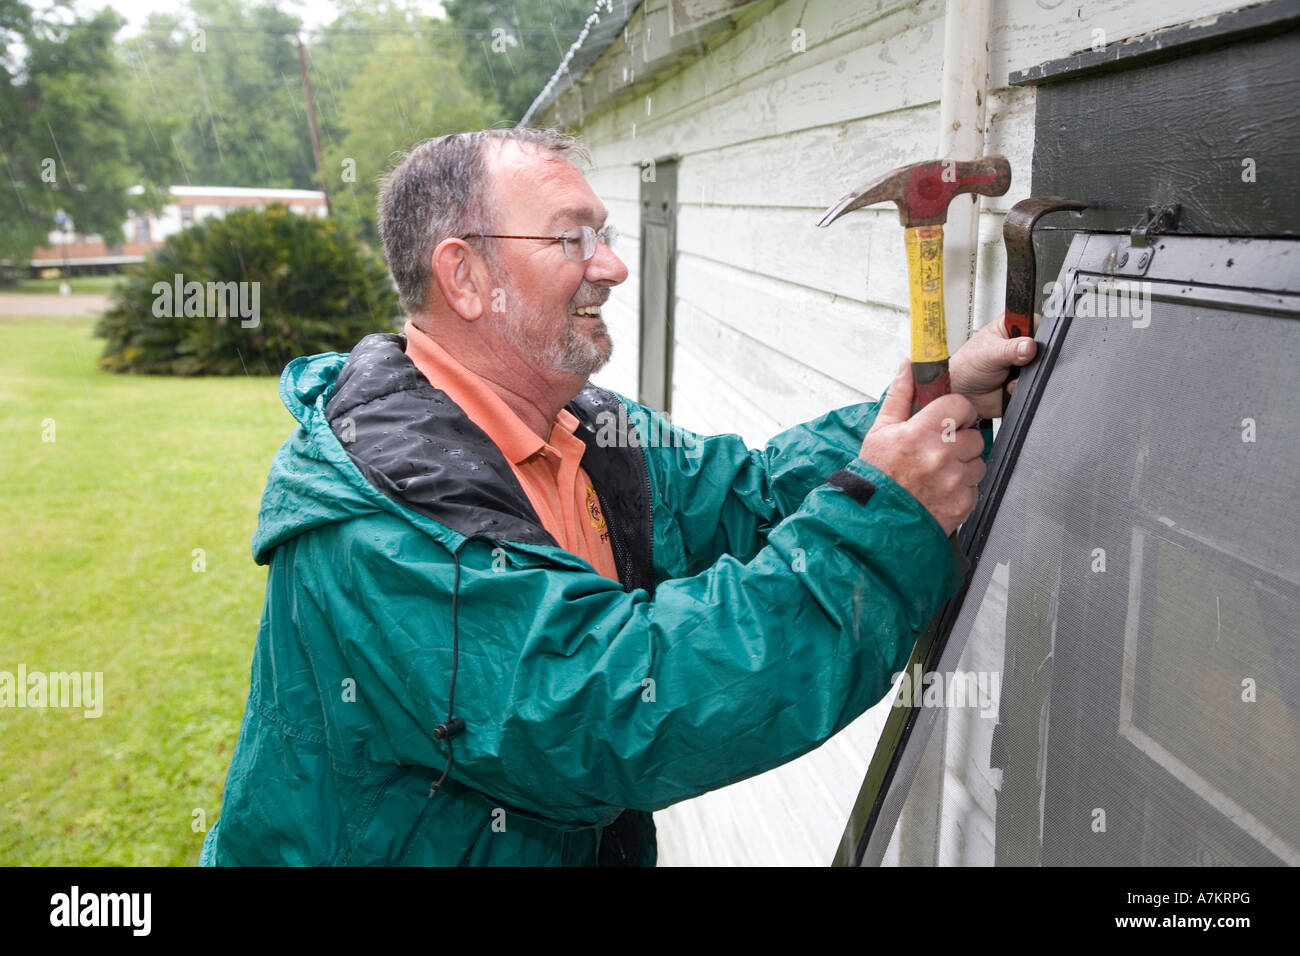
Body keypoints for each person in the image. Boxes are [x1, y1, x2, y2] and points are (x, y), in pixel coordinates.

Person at [199, 128, 1035, 866]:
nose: (614, 266)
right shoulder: (381, 523)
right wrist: (886, 515)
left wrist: (924, 405)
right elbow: (608, 710)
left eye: (604, 235)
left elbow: (747, 497)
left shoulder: (587, 430)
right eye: (572, 239)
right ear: (463, 274)